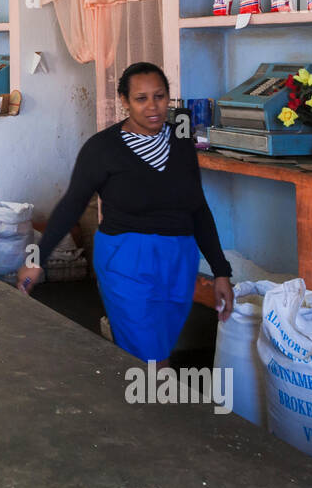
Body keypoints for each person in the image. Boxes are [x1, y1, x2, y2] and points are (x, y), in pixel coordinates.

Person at [17, 62, 234, 364]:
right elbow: (72, 205)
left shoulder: (182, 141)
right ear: (124, 101)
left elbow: (197, 207)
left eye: (159, 96)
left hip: (179, 259)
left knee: (160, 347)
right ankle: (156, 407)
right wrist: (35, 259)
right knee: (148, 355)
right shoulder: (102, 148)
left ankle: (150, 405)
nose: (152, 107)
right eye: (141, 98)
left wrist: (221, 271)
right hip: (126, 258)